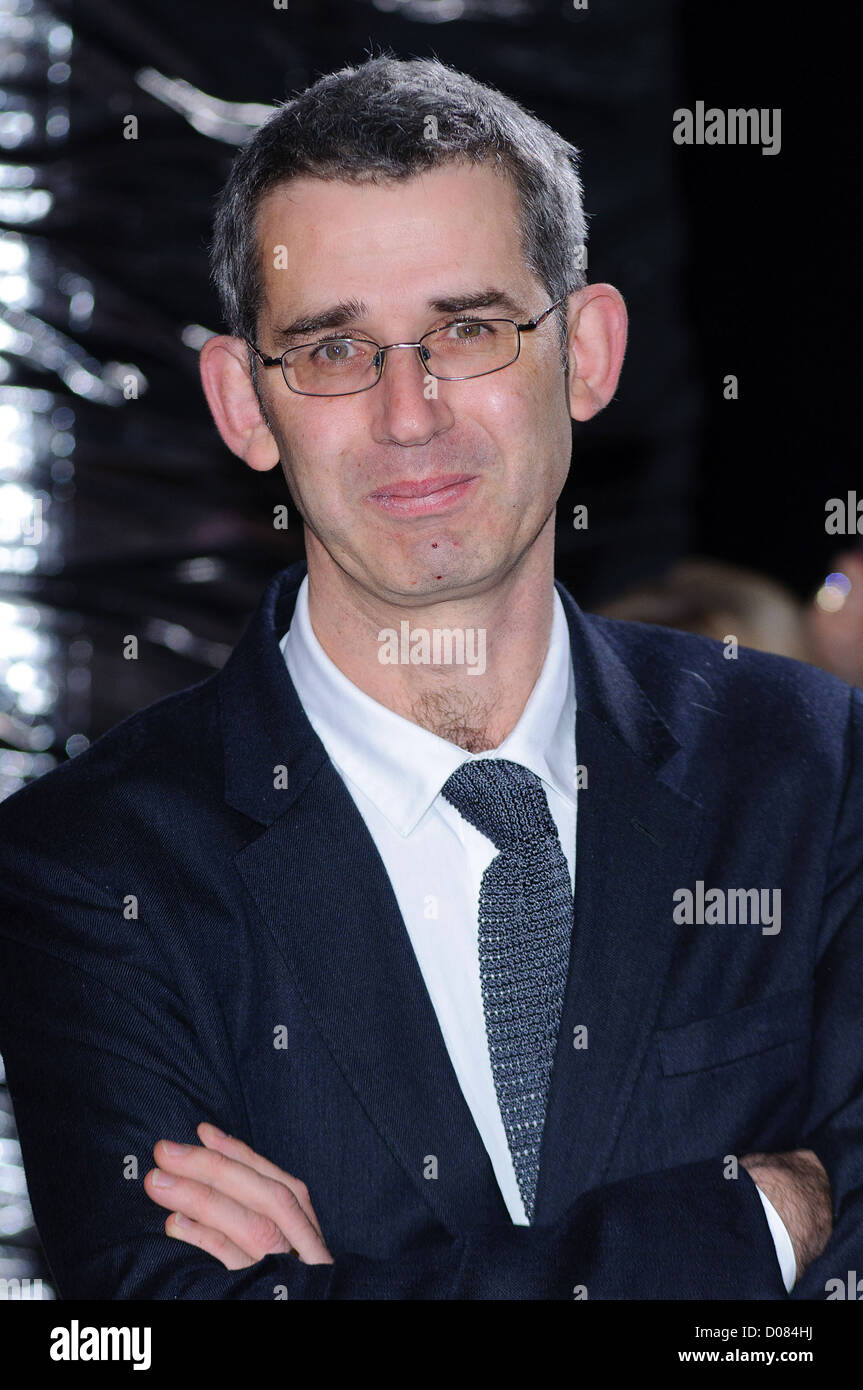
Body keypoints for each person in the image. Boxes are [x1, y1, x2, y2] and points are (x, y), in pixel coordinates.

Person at [0, 55, 858, 1301]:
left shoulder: (816, 769)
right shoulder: (93, 868)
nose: (409, 412)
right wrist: (765, 1221)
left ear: (587, 352)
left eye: (467, 330)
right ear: (244, 405)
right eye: (335, 347)